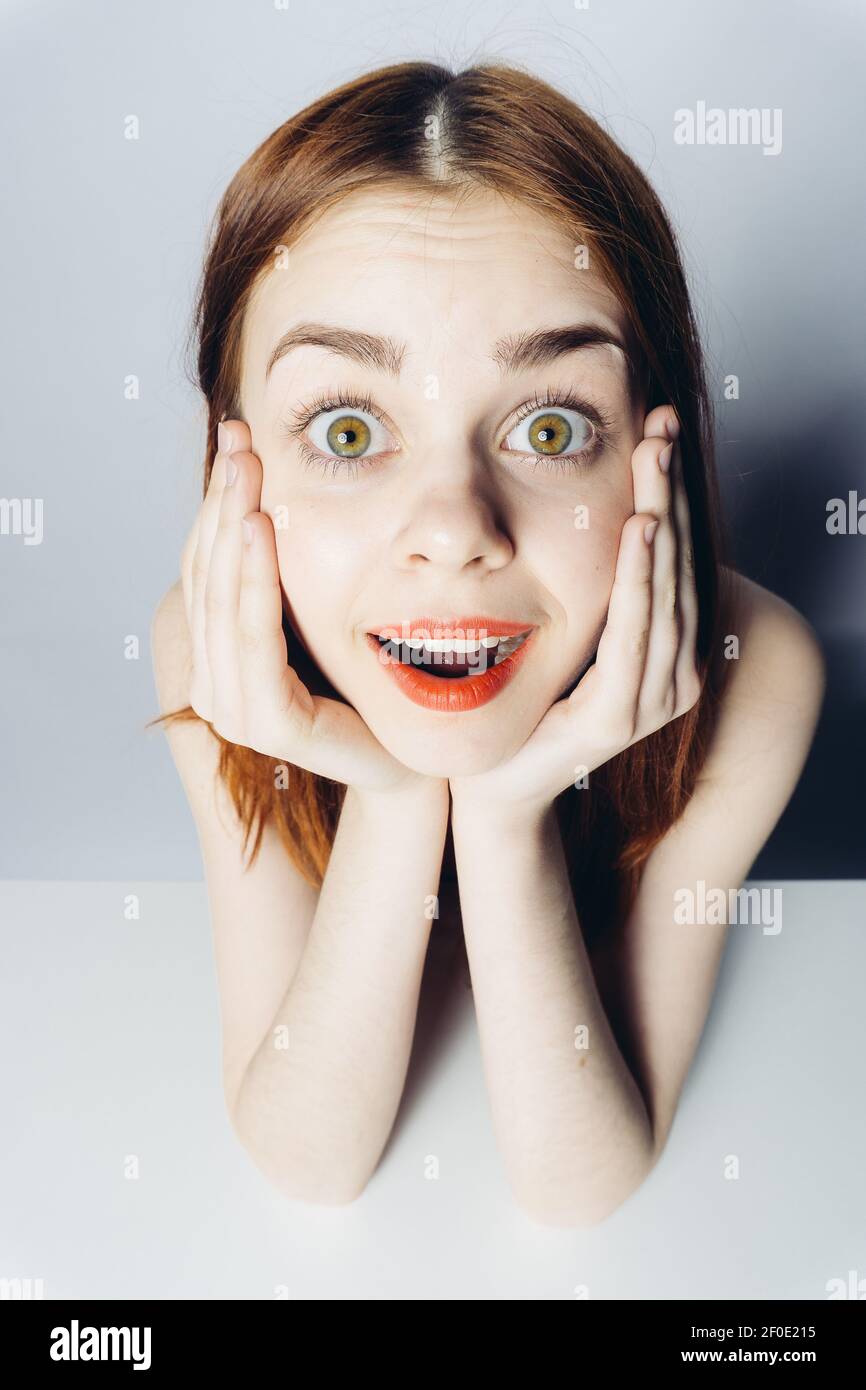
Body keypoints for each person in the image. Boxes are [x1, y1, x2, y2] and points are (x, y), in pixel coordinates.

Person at [150, 61, 825, 1226]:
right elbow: (309, 1158)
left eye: (549, 425)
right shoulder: (214, 654)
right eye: (349, 428)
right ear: (233, 476)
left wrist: (505, 812)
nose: (455, 531)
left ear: (647, 461)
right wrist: (399, 791)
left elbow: (581, 1186)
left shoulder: (755, 671)